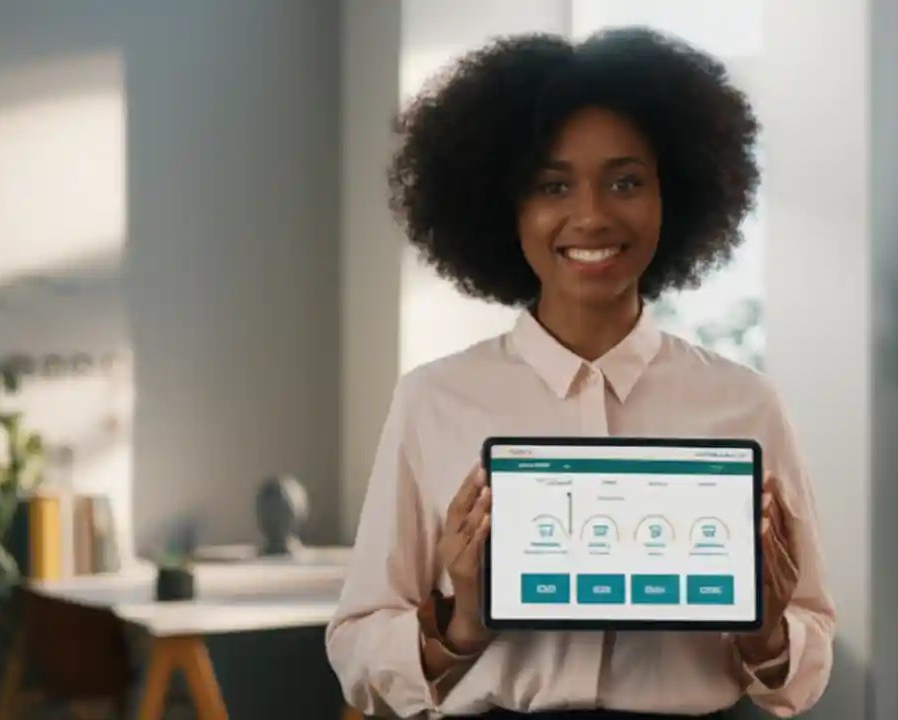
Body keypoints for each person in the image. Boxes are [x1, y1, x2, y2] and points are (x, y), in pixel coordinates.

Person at [326, 27, 835, 720]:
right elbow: (356, 651)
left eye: (625, 181)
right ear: (507, 207)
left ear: (673, 195)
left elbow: (807, 658)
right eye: (552, 185)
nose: (591, 215)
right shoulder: (433, 401)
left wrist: (769, 632)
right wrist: (459, 623)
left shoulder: (744, 403)